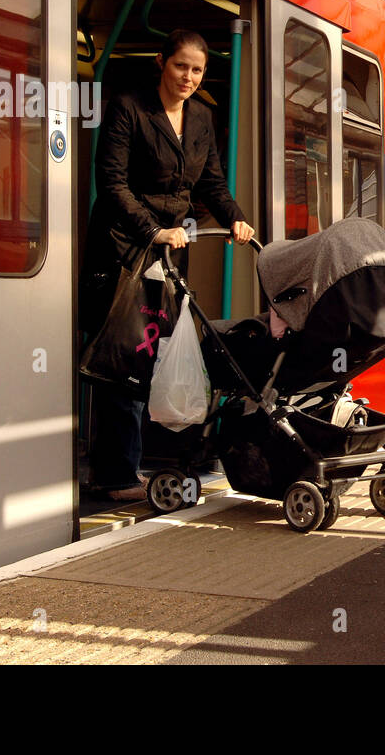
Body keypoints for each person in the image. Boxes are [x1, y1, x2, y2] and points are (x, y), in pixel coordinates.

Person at [81, 29, 255, 501]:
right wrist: (151, 230)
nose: (189, 77)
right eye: (181, 66)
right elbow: (111, 182)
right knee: (124, 359)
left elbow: (212, 182)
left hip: (166, 250)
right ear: (161, 62)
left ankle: (142, 460)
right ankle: (115, 475)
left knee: (152, 354)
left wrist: (236, 219)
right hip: (122, 249)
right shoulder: (129, 107)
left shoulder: (201, 117)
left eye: (197, 70)